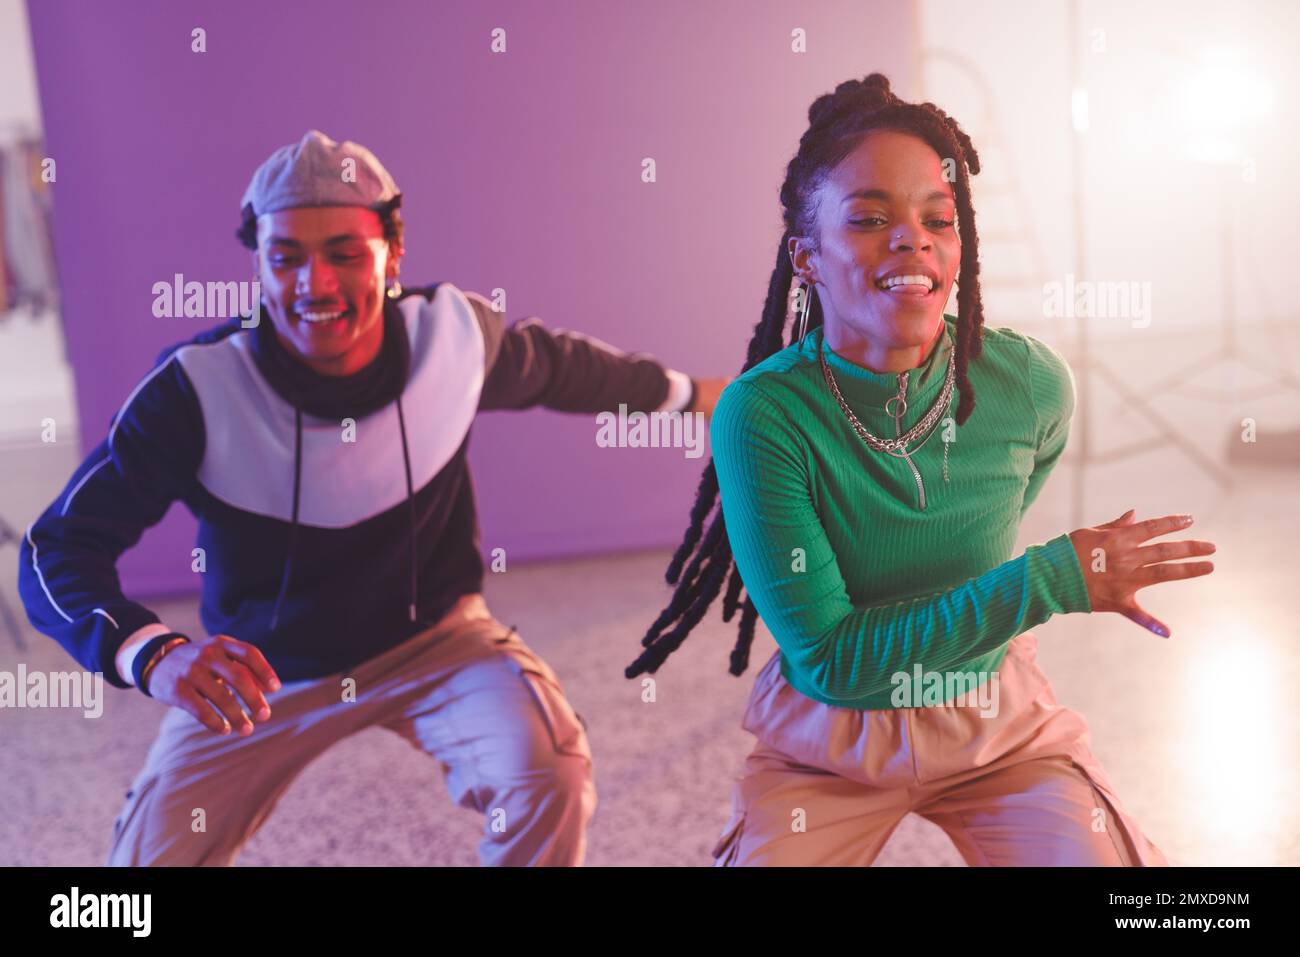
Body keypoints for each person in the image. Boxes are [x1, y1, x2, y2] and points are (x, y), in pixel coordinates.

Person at [19, 130, 725, 866]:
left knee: (549, 772)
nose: (313, 285)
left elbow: (568, 371)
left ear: (393, 254)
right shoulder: (194, 389)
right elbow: (55, 548)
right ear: (257, 262)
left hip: (439, 642)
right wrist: (150, 652)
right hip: (260, 676)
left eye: (345, 254)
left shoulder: (450, 341)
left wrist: (696, 396)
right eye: (285, 257)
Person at [628, 75, 1215, 866]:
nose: (914, 239)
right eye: (870, 219)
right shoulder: (762, 414)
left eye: (939, 219)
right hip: (827, 745)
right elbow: (832, 657)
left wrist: (1018, 590)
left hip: (997, 729)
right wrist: (1049, 580)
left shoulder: (1031, 386)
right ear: (806, 257)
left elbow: (996, 504)